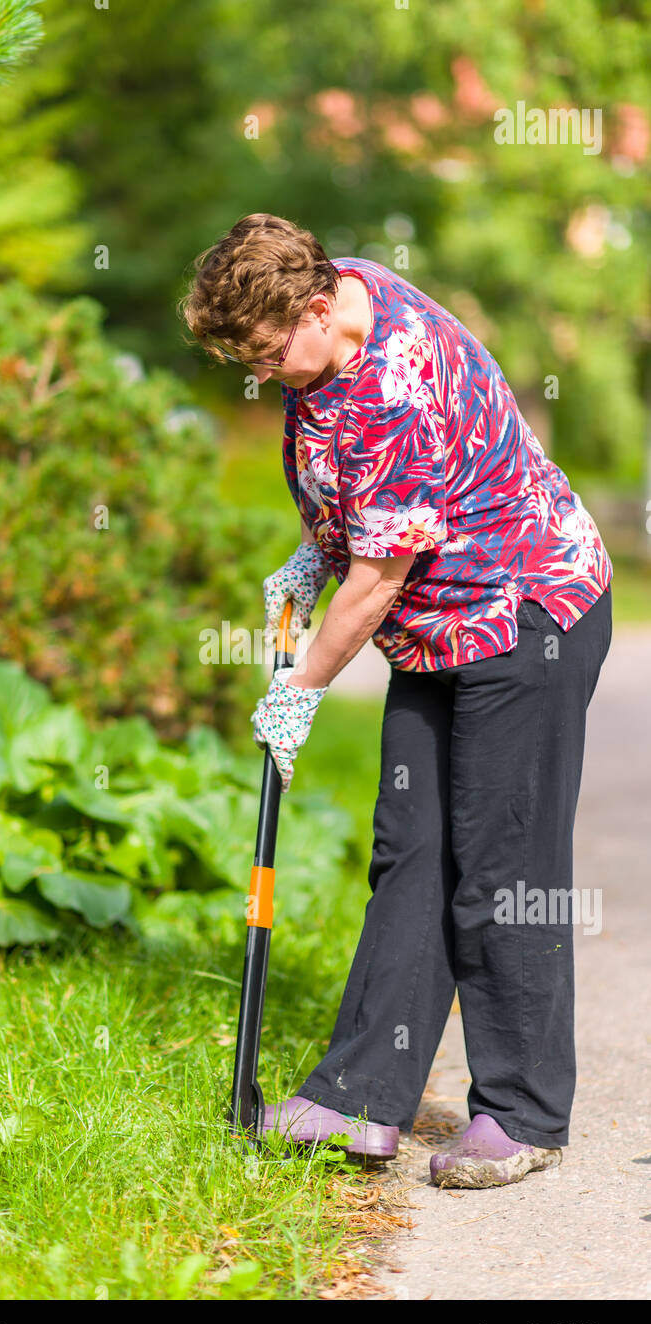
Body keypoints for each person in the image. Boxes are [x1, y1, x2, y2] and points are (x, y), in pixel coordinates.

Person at [177, 212, 613, 1188]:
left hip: (526, 616)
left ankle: (524, 1113)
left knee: (500, 864)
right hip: (437, 623)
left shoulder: (393, 378)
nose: (264, 375)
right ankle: (359, 1099)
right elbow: (358, 501)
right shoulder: (336, 310)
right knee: (410, 849)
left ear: (318, 309)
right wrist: (310, 552)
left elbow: (376, 581)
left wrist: (298, 689)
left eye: (265, 355)